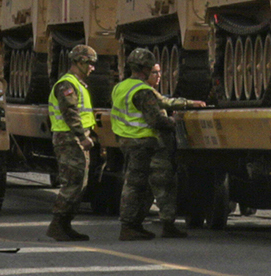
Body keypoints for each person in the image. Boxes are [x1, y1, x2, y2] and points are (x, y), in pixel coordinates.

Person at [112, 50, 204, 241]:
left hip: (127, 140)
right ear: (145, 69)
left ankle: (133, 226)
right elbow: (156, 119)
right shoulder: (142, 91)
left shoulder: (121, 87)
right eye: (153, 70)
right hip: (142, 142)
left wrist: (188, 103)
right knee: (137, 186)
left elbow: (162, 101)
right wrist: (174, 122)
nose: (157, 74)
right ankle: (129, 226)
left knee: (138, 185)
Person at [46, 45, 101, 241]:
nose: (93, 68)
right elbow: (70, 112)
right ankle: (57, 224)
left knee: (79, 184)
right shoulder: (67, 85)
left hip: (74, 138)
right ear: (80, 62)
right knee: (72, 183)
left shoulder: (77, 84)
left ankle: (65, 225)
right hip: (68, 138)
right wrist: (82, 137)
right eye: (90, 63)